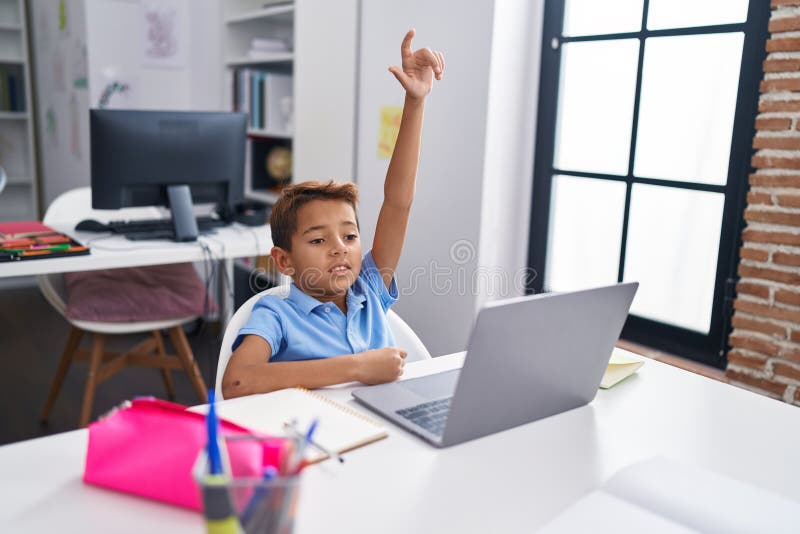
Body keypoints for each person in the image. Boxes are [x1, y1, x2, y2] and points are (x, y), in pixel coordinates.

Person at [222, 29, 444, 399]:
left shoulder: (370, 289)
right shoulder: (275, 315)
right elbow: (237, 383)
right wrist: (358, 367)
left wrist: (415, 101)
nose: (340, 248)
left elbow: (398, 202)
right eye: (318, 239)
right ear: (284, 260)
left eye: (350, 236)